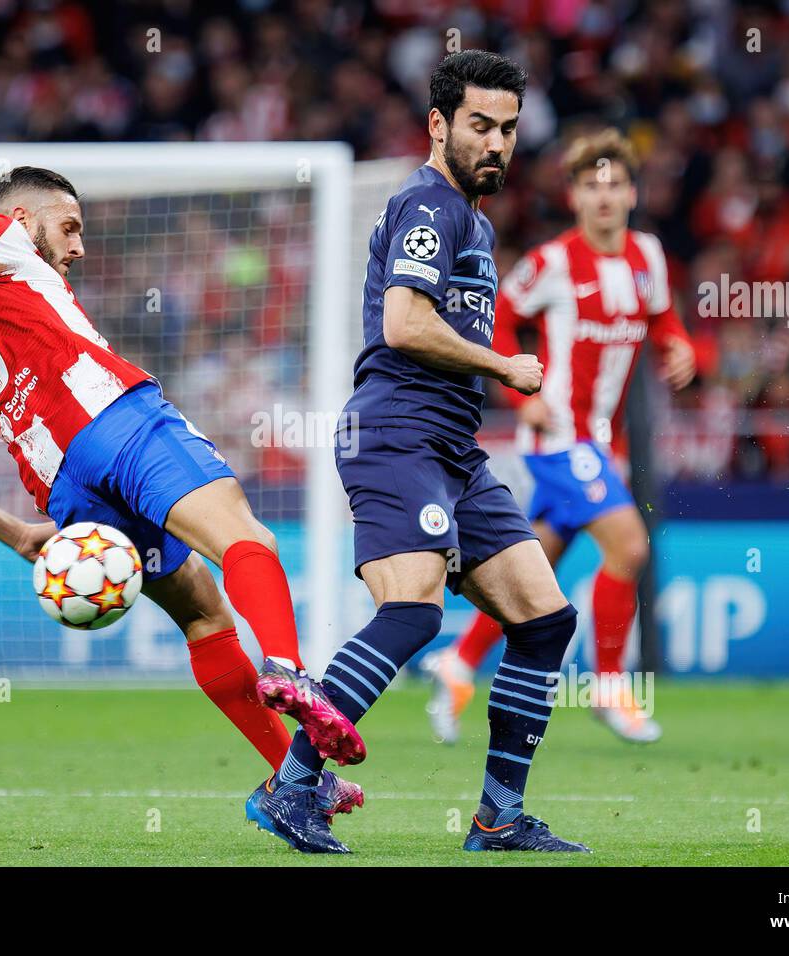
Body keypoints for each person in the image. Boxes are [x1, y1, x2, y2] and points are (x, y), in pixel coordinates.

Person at [0, 165, 366, 817]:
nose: (78, 247)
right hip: (114, 418)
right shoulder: (3, 236)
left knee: (205, 619)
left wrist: (17, 536)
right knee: (245, 537)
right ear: (24, 221)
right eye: (68, 228)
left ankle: (295, 786)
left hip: (69, 498)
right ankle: (289, 670)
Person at [244, 51, 589, 854]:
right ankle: (290, 788)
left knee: (543, 620)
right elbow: (402, 324)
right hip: (396, 432)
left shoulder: (474, 218)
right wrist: (507, 365)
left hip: (451, 447)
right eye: (479, 126)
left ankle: (499, 816)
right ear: (438, 125)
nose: (496, 143)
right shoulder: (430, 207)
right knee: (412, 613)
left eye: (507, 128)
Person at [423, 128, 696, 745]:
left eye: (615, 184)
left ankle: (460, 665)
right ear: (573, 196)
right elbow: (495, 318)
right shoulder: (551, 263)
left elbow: (665, 319)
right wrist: (523, 388)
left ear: (632, 193)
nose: (603, 197)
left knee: (533, 570)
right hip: (560, 440)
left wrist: (679, 348)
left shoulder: (648, 256)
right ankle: (608, 686)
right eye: (590, 186)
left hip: (605, 446)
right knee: (628, 547)